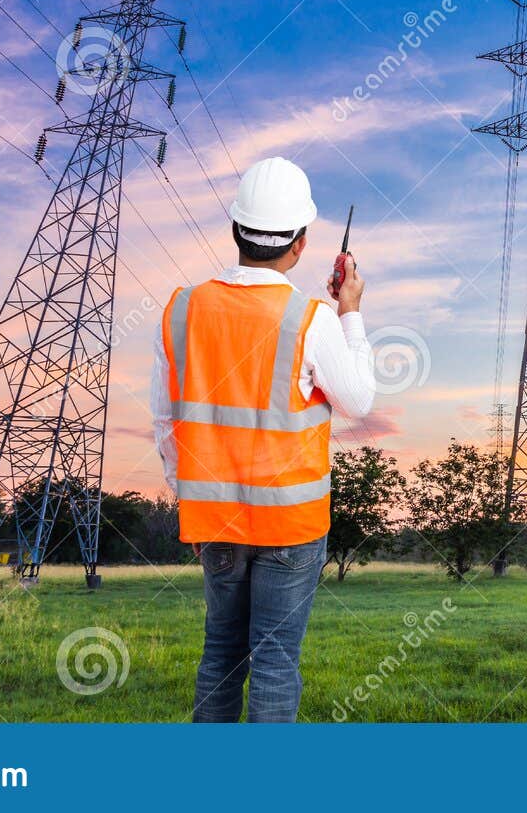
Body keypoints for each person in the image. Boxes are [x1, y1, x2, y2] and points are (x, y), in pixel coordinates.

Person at [151, 156, 374, 722]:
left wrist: (194, 504)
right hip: (291, 528)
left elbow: (165, 422)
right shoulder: (311, 318)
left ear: (235, 230)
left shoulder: (182, 309)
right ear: (300, 244)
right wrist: (349, 312)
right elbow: (359, 401)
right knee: (275, 663)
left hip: (216, 521)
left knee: (220, 655)